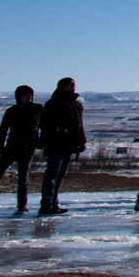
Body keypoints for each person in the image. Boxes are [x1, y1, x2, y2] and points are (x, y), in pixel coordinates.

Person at [0, 85, 40, 213]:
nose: (29, 98)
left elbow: (42, 127)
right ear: (19, 97)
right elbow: (3, 130)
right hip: (11, 148)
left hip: (27, 150)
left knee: (23, 179)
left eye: (31, 95)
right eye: (26, 95)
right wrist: (0, 147)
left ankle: (21, 205)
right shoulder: (12, 111)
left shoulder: (37, 109)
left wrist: (39, 143)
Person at [36, 78, 86, 215]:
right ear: (63, 86)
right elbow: (44, 122)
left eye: (74, 84)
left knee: (60, 174)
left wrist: (82, 141)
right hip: (56, 143)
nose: (73, 87)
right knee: (52, 173)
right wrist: (58, 130)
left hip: (69, 143)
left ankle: (53, 201)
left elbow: (79, 125)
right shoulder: (54, 103)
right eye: (71, 85)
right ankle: (47, 203)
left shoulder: (76, 104)